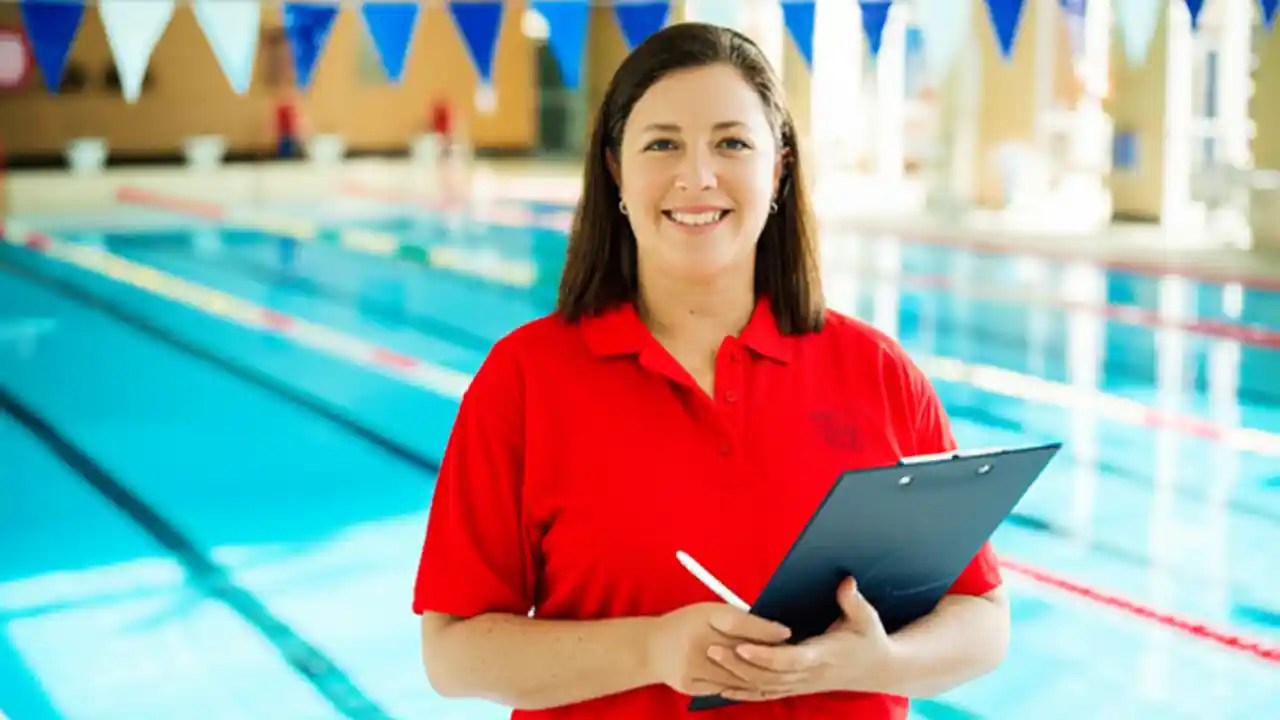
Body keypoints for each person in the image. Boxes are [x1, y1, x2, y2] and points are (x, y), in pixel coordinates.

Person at [413, 22, 1010, 720]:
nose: (697, 177)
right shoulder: (527, 379)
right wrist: (652, 649)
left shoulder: (875, 373)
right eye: (662, 143)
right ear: (616, 170)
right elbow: (452, 653)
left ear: (779, 168)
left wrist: (884, 662)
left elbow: (981, 614)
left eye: (732, 142)